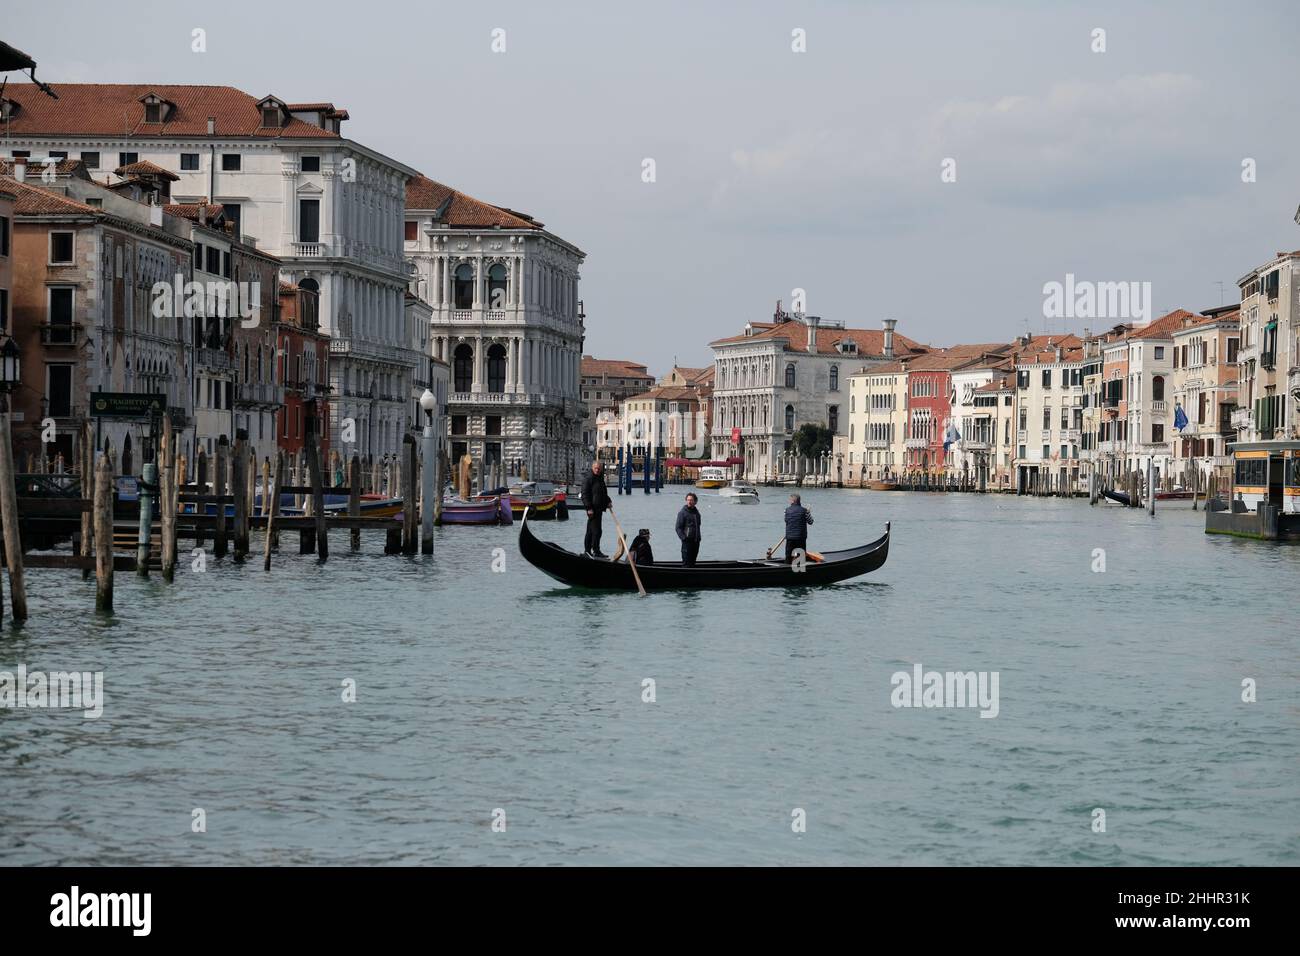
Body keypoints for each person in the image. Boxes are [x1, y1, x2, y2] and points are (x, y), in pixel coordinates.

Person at [580, 461, 611, 558]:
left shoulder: (600, 478)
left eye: (599, 468)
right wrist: (589, 508)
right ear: (592, 468)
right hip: (592, 509)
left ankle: (587, 551)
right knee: (597, 531)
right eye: (595, 468)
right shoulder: (588, 478)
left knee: (591, 531)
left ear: (601, 469)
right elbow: (584, 495)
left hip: (599, 508)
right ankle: (595, 551)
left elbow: (603, 493)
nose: (597, 470)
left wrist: (608, 501)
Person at [783, 493, 814, 563]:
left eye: (790, 500)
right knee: (800, 557)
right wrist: (808, 512)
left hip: (790, 537)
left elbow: (786, 520)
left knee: (788, 556)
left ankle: (787, 567)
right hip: (800, 537)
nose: (789, 501)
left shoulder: (786, 510)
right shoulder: (805, 511)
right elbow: (811, 522)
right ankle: (799, 571)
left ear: (793, 501)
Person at [675, 492, 702, 566]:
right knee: (686, 563)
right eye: (688, 500)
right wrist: (684, 538)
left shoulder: (697, 513)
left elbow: (698, 526)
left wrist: (698, 538)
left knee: (693, 563)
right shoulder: (682, 513)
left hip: (696, 542)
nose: (689, 502)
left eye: (691, 500)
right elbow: (678, 528)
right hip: (687, 542)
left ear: (695, 502)